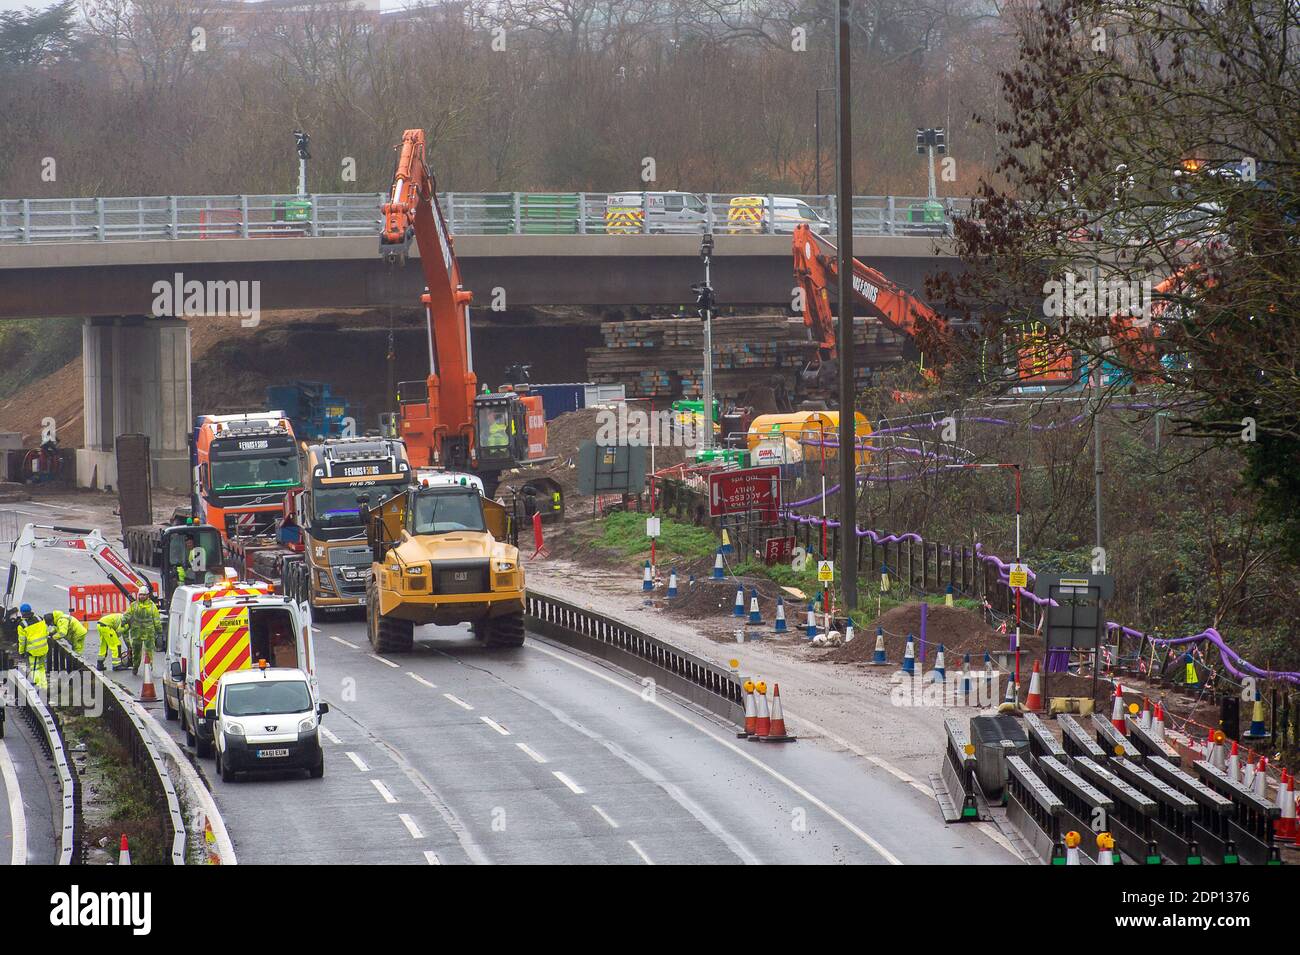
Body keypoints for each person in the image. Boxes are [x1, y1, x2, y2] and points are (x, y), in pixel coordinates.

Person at [123, 587, 161, 676]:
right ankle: (135, 667)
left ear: (148, 595)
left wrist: (159, 630)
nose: (142, 596)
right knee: (136, 652)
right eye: (141, 594)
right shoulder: (134, 605)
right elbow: (127, 614)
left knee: (149, 651)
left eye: (144, 595)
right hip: (136, 633)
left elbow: (156, 619)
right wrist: (123, 621)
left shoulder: (152, 606)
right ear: (138, 595)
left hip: (149, 633)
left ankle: (149, 668)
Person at [15, 604, 49, 690]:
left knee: (35, 669)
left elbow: (22, 641)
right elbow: (46, 631)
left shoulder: (22, 625)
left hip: (33, 651)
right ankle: (44, 686)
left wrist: (21, 652)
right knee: (41, 668)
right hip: (44, 648)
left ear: (22, 612)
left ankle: (38, 687)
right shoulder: (40, 618)